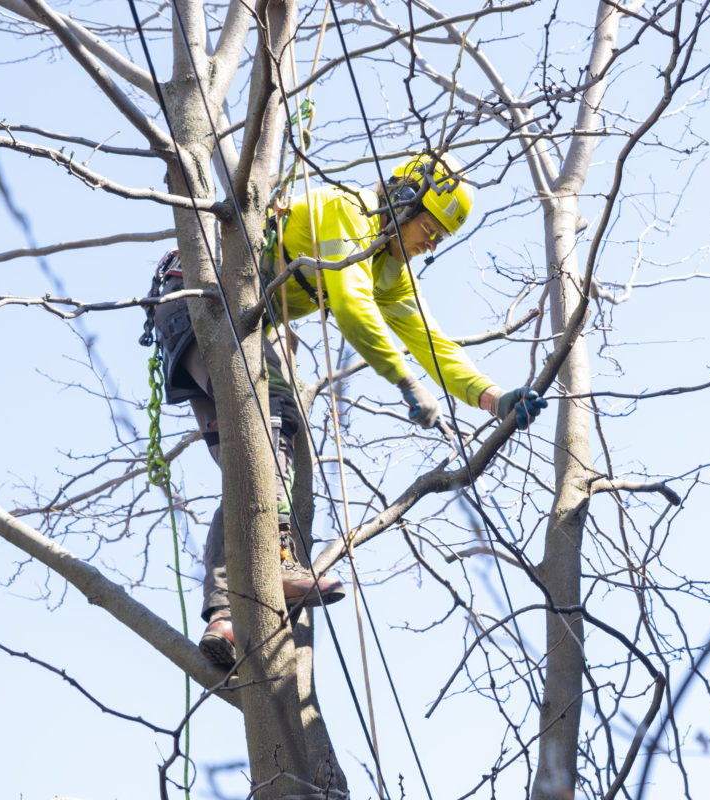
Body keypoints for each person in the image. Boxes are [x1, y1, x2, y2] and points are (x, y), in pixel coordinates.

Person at [151, 153, 546, 666]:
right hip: (202, 305)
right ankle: (276, 559)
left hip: (200, 328)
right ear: (406, 202)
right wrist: (405, 380)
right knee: (276, 419)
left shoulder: (389, 272)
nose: (431, 244)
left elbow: (432, 343)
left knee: (247, 466)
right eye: (430, 229)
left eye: (440, 239)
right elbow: (352, 304)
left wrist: (492, 398)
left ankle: (225, 619)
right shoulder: (347, 213)